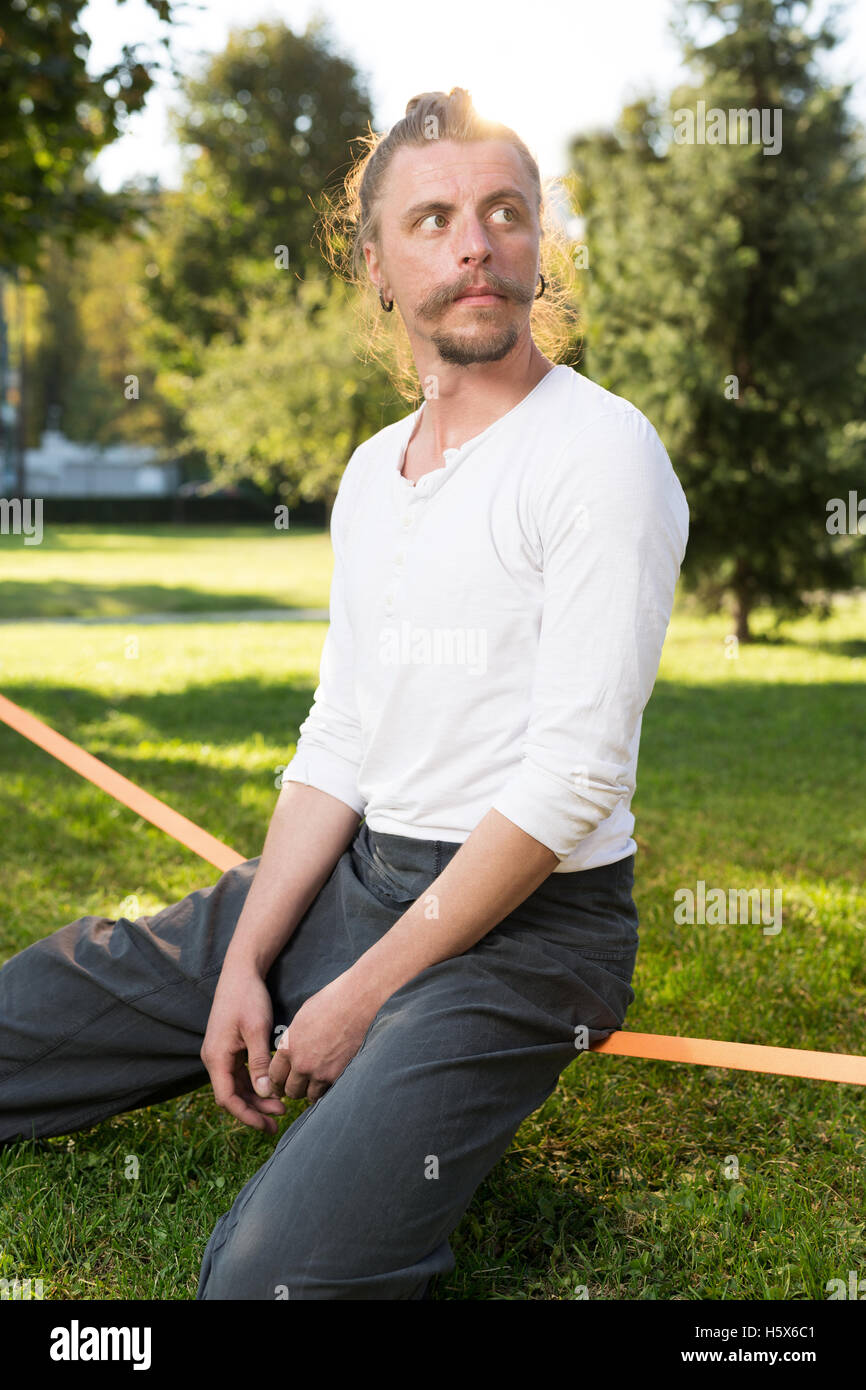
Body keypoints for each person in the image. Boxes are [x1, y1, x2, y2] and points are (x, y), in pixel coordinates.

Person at [0, 88, 689, 1300]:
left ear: (536, 248)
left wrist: (357, 998)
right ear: (375, 265)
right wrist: (246, 961)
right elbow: (341, 735)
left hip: (528, 936)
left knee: (271, 1282)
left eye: (503, 213)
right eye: (432, 219)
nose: (474, 241)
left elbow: (573, 779)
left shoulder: (600, 452)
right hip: (356, 877)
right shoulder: (375, 472)